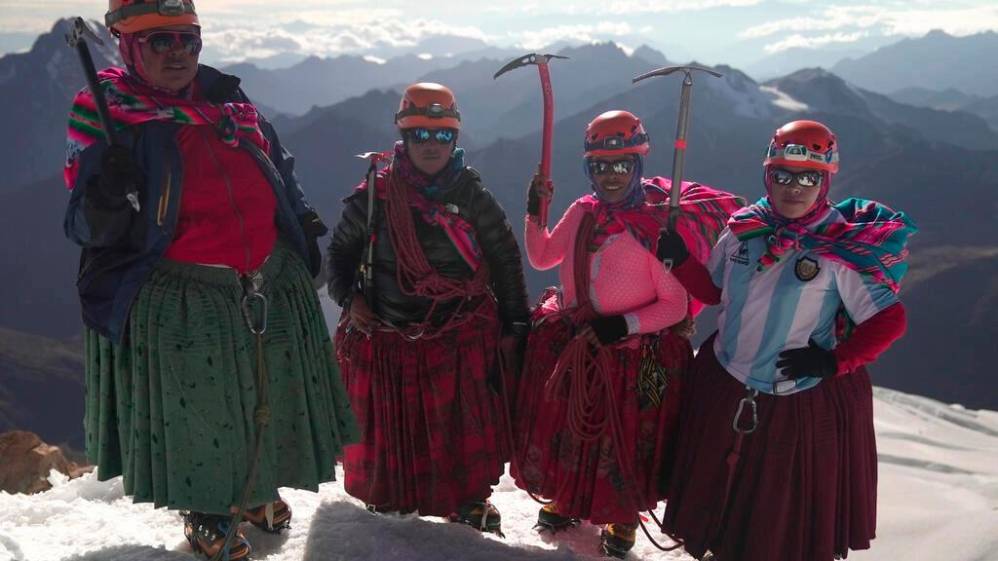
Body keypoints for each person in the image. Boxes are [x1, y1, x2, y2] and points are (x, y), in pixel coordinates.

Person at [63, 1, 358, 558]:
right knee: (200, 408)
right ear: (127, 44)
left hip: (266, 272)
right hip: (180, 288)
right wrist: (104, 194)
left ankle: (254, 488)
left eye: (187, 40)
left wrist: (302, 217)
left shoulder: (227, 100)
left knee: (266, 388)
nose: (177, 53)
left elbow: (276, 160)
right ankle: (207, 507)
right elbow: (82, 223)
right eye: (159, 42)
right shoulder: (106, 115)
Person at [659, 120, 916, 561]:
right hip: (727, 378)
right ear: (768, 176)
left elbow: (888, 320)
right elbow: (714, 292)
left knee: (771, 520)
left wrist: (835, 363)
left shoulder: (839, 250)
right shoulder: (744, 229)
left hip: (792, 397)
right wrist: (681, 263)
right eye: (783, 175)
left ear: (825, 181)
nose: (794, 188)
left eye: (808, 177)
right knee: (727, 501)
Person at [510, 110, 744, 558]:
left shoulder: (655, 228)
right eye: (600, 166)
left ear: (638, 164)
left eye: (621, 165)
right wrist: (534, 209)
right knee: (576, 428)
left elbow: (674, 305)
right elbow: (542, 257)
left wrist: (623, 325)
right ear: (588, 168)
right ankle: (571, 497)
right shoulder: (582, 212)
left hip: (633, 352)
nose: (611, 175)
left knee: (625, 439)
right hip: (585, 340)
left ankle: (621, 517)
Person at [326, 82, 530, 535]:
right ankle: (393, 495)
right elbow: (340, 255)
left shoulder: (473, 196)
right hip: (388, 334)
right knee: (400, 432)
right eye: (421, 134)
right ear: (403, 136)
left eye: (441, 135)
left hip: (457, 334)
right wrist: (350, 298)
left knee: (457, 427)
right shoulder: (376, 194)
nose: (431, 145)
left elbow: (504, 258)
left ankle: (467, 498)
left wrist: (517, 323)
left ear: (455, 138)